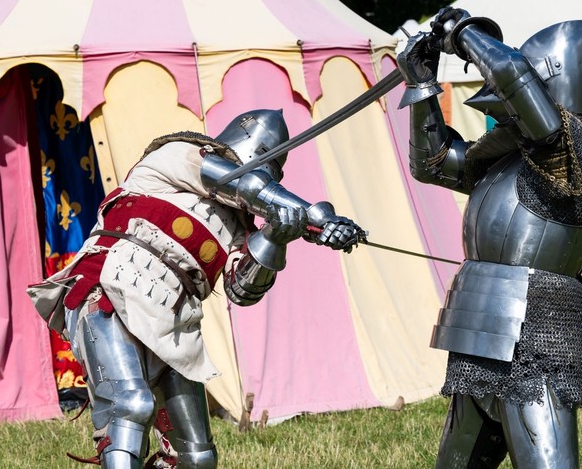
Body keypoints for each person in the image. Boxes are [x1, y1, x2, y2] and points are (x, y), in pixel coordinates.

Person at [28, 109, 365, 468]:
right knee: (130, 405)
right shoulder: (179, 155)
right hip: (113, 288)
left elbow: (242, 289)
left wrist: (277, 234)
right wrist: (318, 218)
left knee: (198, 455)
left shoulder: (239, 228)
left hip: (174, 323)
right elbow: (244, 186)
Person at [396, 7, 582, 468]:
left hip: (538, 335)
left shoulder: (578, 157)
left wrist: (464, 31)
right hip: (478, 328)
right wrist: (421, 81)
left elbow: (510, 72)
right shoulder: (511, 156)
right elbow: (432, 163)